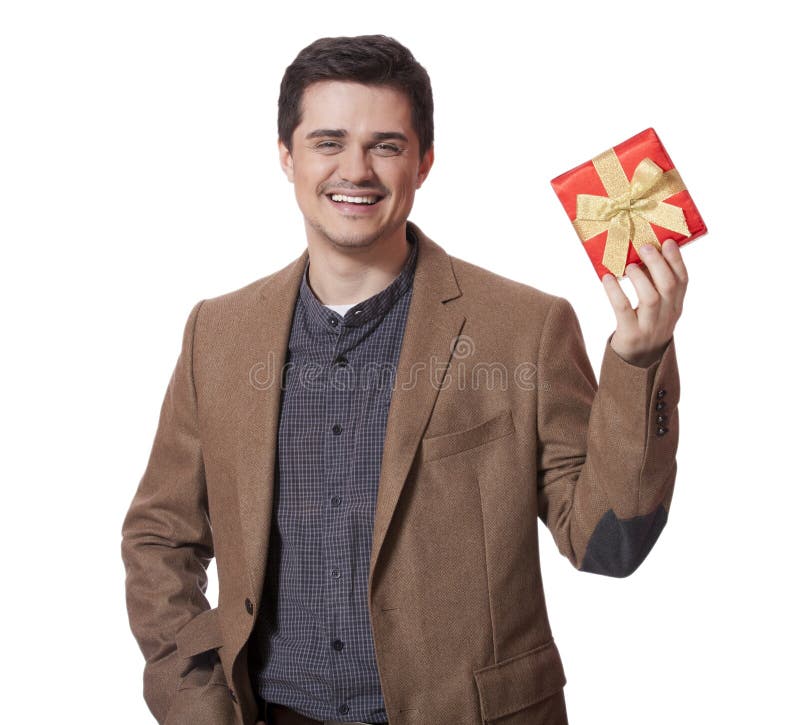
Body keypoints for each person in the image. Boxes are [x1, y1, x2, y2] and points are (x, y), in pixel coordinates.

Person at [121, 34, 686, 725]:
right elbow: (160, 538)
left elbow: (610, 544)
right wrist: (195, 701)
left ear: (424, 164)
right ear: (286, 157)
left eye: (386, 145)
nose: (355, 170)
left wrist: (639, 358)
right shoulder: (218, 331)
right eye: (328, 142)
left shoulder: (524, 328)